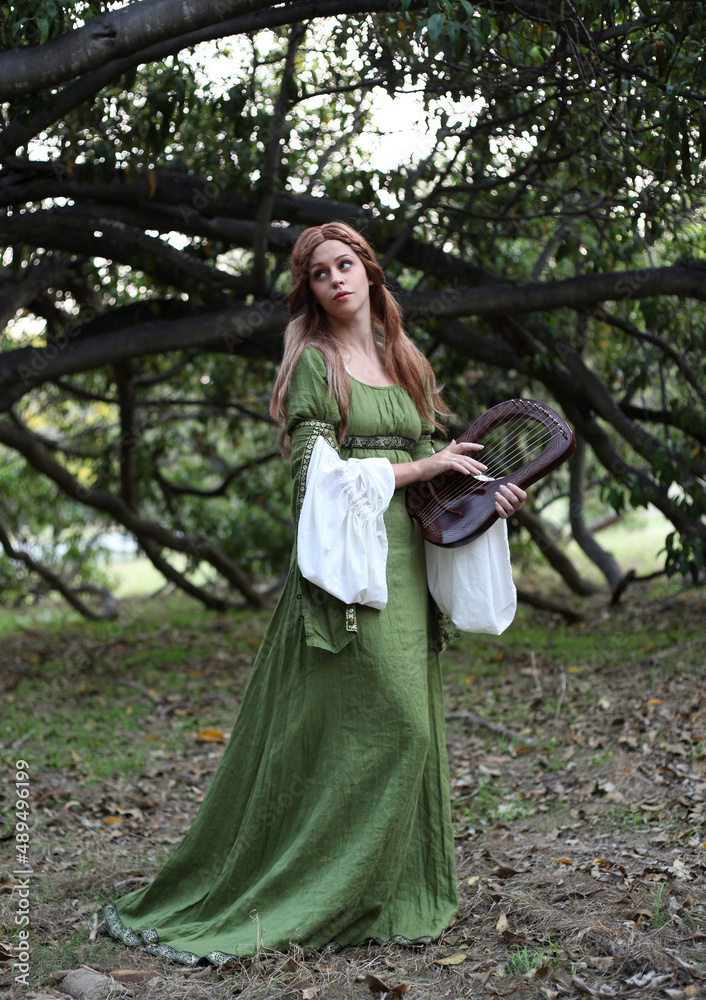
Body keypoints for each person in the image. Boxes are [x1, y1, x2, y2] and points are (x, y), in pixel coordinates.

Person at [103, 222, 526, 966]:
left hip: (408, 564)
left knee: (407, 727)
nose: (336, 279)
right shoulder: (316, 365)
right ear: (311, 291)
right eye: (320, 272)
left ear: (369, 273)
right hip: (349, 569)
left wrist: (485, 497)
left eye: (346, 264)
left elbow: (443, 466)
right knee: (394, 728)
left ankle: (390, 893)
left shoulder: (405, 359)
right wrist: (421, 469)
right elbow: (312, 480)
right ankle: (326, 890)